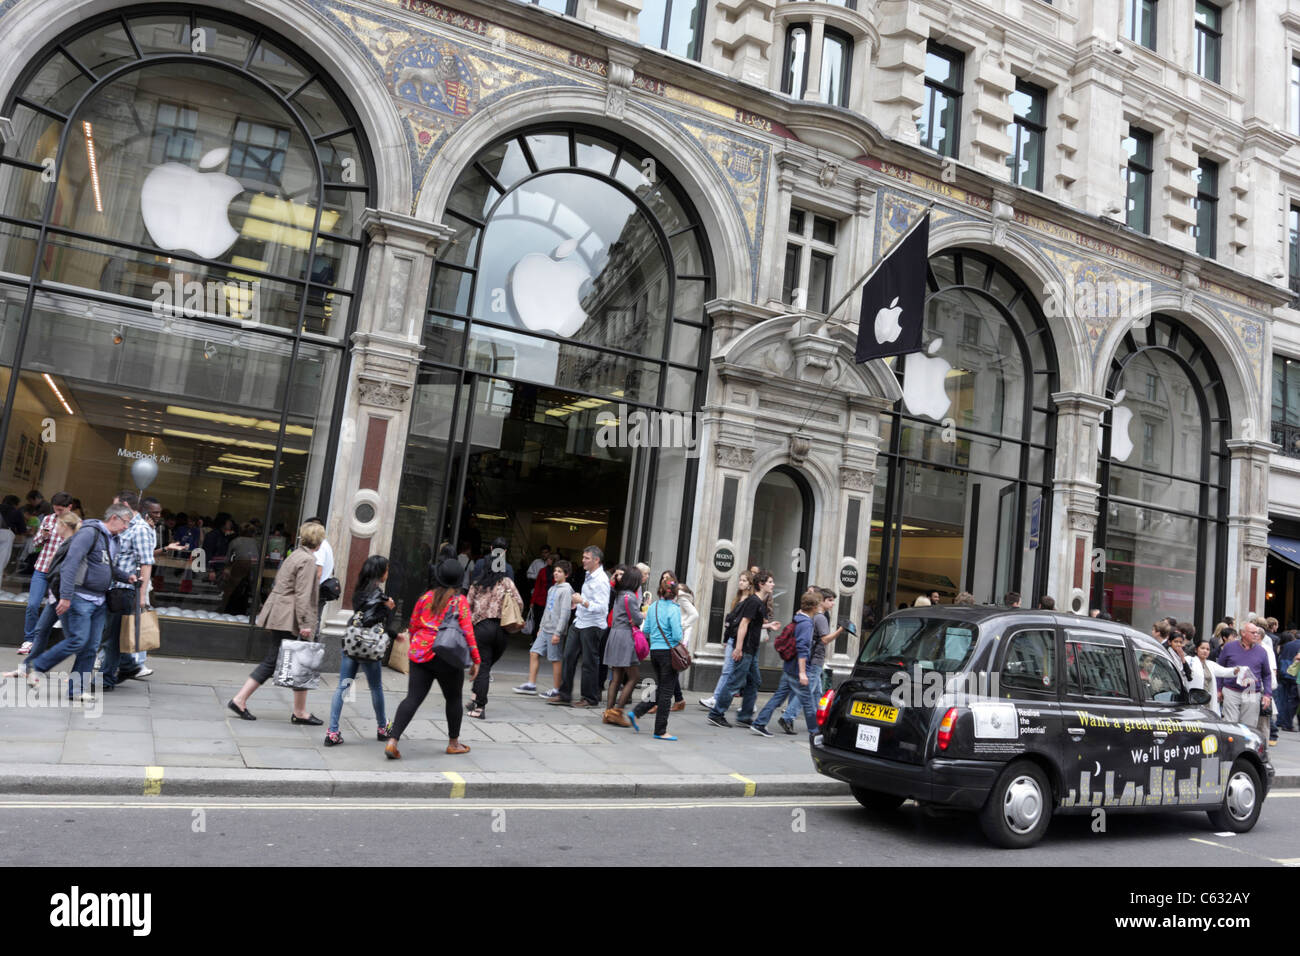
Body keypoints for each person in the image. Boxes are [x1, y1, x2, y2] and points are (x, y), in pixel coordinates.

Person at [6, 504, 135, 700]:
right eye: (126, 522)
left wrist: (127, 577)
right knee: (78, 640)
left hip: (99, 600)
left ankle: (76, 690)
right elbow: (70, 563)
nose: (127, 527)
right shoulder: (90, 533)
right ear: (114, 518)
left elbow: (107, 567)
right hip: (80, 597)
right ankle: (37, 666)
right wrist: (65, 596)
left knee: (91, 647)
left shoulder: (113, 539)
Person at [384, 557, 481, 759]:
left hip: (421, 654)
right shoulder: (460, 601)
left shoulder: (425, 598)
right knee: (453, 699)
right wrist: (476, 660)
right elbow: (468, 632)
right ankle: (453, 743)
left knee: (412, 698)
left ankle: (392, 741)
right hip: (448, 654)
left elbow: (413, 626)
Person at [228, 521, 324, 722]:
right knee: (277, 660)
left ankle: (300, 712)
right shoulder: (307, 560)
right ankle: (240, 699)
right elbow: (302, 594)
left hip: (281, 614)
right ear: (319, 541)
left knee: (299, 661)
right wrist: (305, 623)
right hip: (288, 617)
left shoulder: (296, 554)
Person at [325, 555, 394, 746]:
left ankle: (332, 731)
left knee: (343, 685)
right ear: (380, 572)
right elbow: (375, 621)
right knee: (376, 687)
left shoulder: (359, 591)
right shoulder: (378, 595)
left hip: (351, 644)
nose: (388, 573)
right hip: (368, 648)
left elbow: (360, 616)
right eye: (386, 569)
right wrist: (388, 608)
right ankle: (382, 727)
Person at [5, 510, 82, 676]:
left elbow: (70, 572)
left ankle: (76, 675)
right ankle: (28, 667)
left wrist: (66, 597)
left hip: (63, 597)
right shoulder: (66, 539)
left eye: (58, 526)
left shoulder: (74, 544)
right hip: (57, 596)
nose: (55, 528)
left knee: (75, 640)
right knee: (41, 630)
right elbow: (37, 546)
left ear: (64, 526)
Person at [96, 491, 157, 689]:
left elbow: (146, 563)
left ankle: (107, 679)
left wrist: (141, 596)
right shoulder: (124, 525)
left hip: (124, 589)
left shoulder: (140, 529)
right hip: (112, 587)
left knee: (113, 637)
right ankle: (129, 665)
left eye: (115, 505)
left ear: (124, 505)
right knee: (110, 635)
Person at [750, 589, 821, 739]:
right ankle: (816, 732)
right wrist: (802, 673)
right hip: (797, 670)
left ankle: (759, 723)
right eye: (818, 605)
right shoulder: (807, 624)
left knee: (777, 698)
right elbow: (802, 648)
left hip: (789, 667)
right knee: (808, 703)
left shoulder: (798, 618)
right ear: (814, 607)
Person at [708, 570, 774, 728]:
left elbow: (753, 625)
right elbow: (744, 624)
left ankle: (744, 715)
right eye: (770, 582)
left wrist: (768, 625)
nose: (773, 584)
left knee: (754, 681)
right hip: (745, 648)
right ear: (761, 584)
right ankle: (716, 713)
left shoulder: (759, 602)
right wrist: (738, 648)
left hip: (752, 648)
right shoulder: (754, 602)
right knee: (734, 681)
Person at [465, 536, 523, 719]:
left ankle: (479, 707)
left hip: (482, 629)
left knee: (483, 667)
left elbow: (467, 607)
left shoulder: (477, 585)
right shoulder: (507, 583)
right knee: (485, 666)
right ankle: (475, 697)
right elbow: (519, 604)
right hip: (502, 630)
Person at [779, 587, 849, 732]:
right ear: (821, 601)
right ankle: (787, 717)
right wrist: (841, 630)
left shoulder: (814, 616)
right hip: (816, 659)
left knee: (817, 692)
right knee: (807, 691)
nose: (833, 604)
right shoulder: (821, 617)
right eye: (830, 600)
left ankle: (819, 722)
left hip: (814, 658)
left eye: (833, 601)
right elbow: (825, 639)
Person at [550, 545, 610, 708]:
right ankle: (564, 694)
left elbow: (602, 608)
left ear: (596, 560)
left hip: (593, 624)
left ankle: (590, 698)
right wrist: (579, 603)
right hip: (580, 621)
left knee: (589, 662)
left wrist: (582, 601)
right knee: (568, 656)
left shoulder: (601, 580)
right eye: (583, 557)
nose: (583, 560)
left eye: (587, 558)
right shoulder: (589, 575)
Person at [630, 572, 684, 739]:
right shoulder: (674, 609)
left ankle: (637, 712)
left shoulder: (653, 607)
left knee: (662, 688)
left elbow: (646, 630)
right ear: (675, 593)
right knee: (667, 693)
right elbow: (676, 636)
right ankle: (660, 731)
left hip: (655, 652)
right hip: (669, 653)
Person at [18, 491, 72, 655]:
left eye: (61, 510)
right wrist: (43, 535)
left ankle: (59, 644)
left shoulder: (77, 524)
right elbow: (35, 545)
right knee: (33, 605)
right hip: (42, 568)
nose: (57, 513)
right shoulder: (48, 519)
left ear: (69, 507)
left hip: (61, 574)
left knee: (59, 609)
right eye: (55, 509)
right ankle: (29, 640)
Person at [516, 558, 572, 697]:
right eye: (555, 571)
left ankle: (556, 689)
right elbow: (547, 609)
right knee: (534, 652)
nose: (556, 574)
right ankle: (531, 684)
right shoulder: (552, 589)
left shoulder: (566, 590)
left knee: (555, 659)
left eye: (559, 571)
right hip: (545, 628)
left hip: (555, 630)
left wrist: (558, 633)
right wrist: (541, 626)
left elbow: (565, 613)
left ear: (566, 574)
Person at [698, 570, 753, 710]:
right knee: (735, 672)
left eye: (744, 580)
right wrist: (726, 638)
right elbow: (731, 621)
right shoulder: (737, 599)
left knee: (736, 672)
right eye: (740, 580)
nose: (741, 582)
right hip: (732, 639)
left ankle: (717, 699)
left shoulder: (750, 602)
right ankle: (747, 704)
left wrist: (737, 645)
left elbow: (745, 623)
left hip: (740, 642)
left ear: (750, 584)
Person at [602, 564, 644, 727]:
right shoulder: (630, 597)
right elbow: (638, 619)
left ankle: (608, 712)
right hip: (625, 637)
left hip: (614, 635)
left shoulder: (619, 594)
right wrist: (641, 615)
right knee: (633, 677)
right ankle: (618, 712)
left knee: (616, 677)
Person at [1217, 622, 1272, 732]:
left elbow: (1266, 674)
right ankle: (1231, 748)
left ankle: (1246, 748)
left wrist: (1267, 694)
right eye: (1253, 633)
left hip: (1252, 693)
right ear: (1243, 633)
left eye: (1257, 633)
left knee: (1249, 726)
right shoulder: (1229, 647)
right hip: (1231, 691)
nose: (1256, 635)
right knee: (1230, 724)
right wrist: (1218, 689)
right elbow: (1220, 669)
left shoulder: (1262, 651)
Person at [1187, 637, 1244, 717]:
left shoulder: (1210, 664)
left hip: (1207, 700)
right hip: (1193, 698)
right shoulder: (1190, 660)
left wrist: (1236, 670)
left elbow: (1224, 671)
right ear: (1196, 650)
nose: (1205, 651)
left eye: (1207, 649)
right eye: (1202, 648)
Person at [1277, 630, 1300, 733]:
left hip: (1284, 673)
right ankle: (1287, 723)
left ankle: (1281, 720)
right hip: (1295, 676)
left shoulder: (1287, 645)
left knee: (1283, 699)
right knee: (1292, 701)